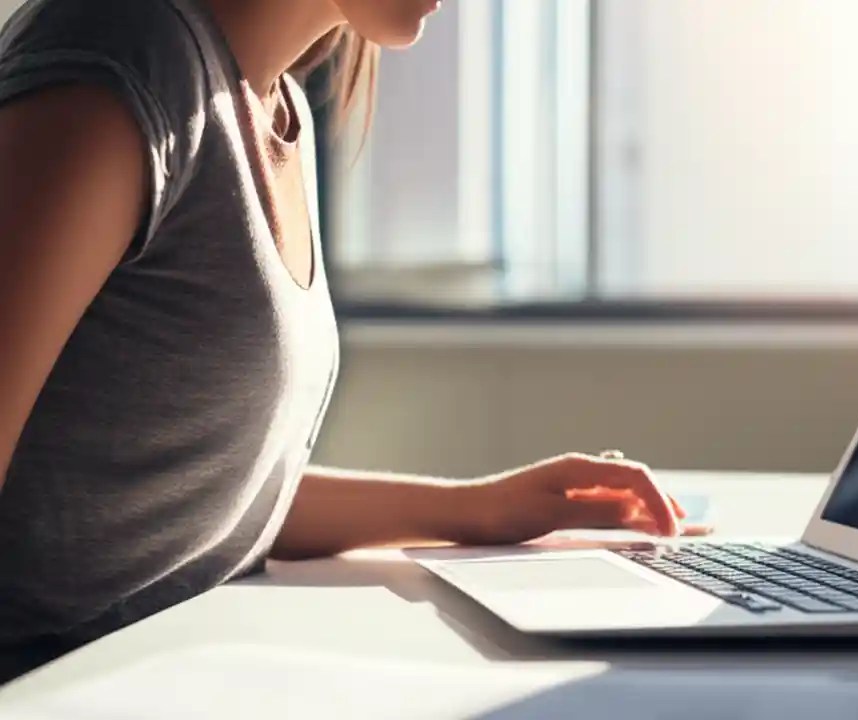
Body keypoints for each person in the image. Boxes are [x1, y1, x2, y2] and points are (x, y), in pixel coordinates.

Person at [0, 0, 691, 682]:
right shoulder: (118, 62)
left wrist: (476, 509)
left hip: (159, 673)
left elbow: (171, 496)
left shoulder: (272, 102)